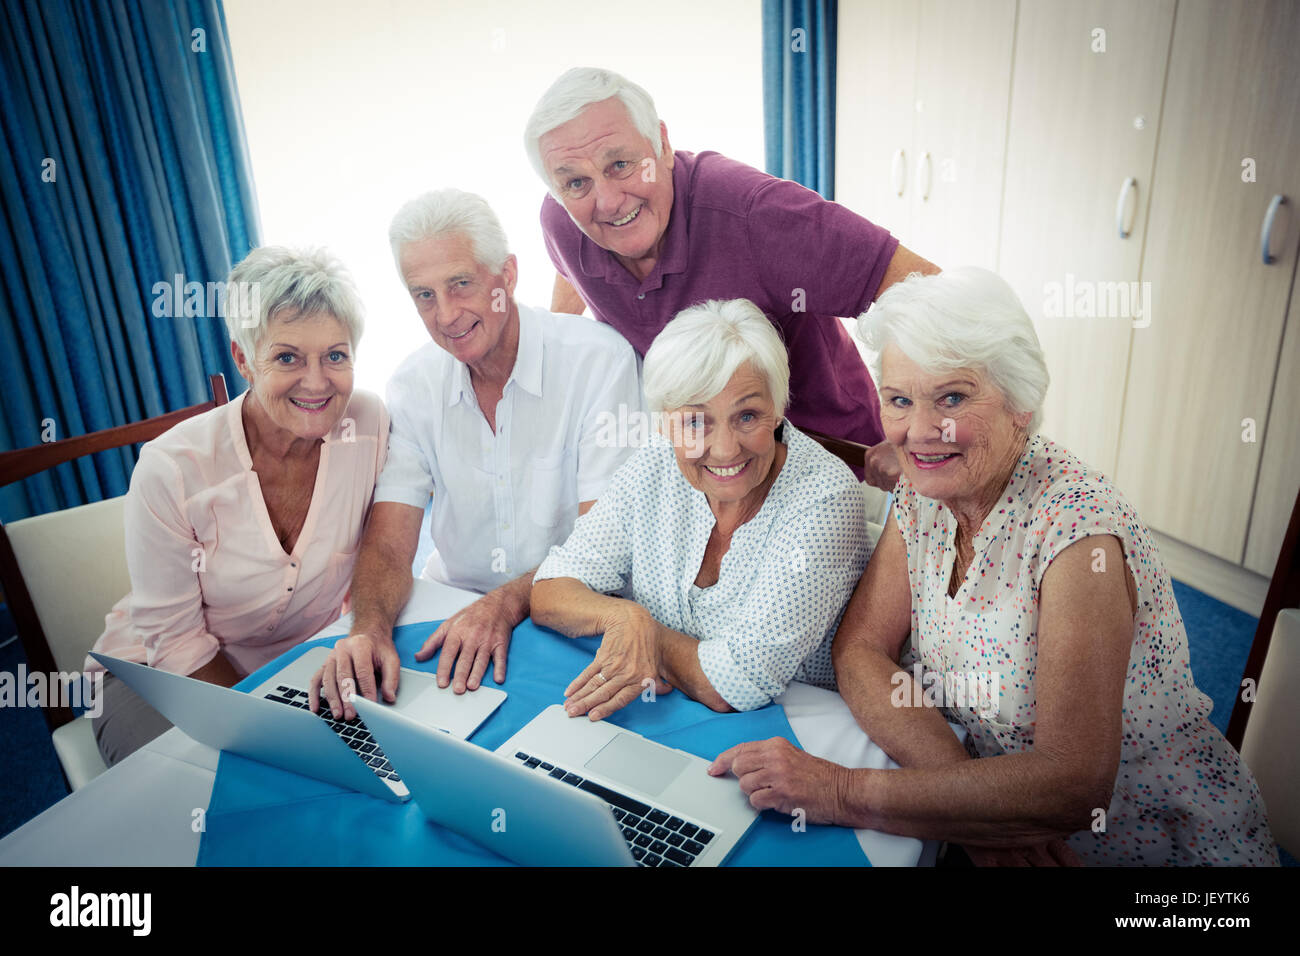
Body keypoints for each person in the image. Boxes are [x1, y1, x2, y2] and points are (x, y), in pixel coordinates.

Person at [708, 267, 1280, 866]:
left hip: (1152, 848)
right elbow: (860, 651)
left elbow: (1073, 786)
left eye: (952, 398)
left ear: (1021, 403)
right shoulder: (925, 491)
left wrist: (841, 791)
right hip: (1007, 829)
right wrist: (977, 811)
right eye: (900, 400)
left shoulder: (1078, 536)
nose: (921, 432)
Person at [525, 66, 940, 491]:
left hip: (830, 463)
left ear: (662, 145)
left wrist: (914, 426)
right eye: (576, 182)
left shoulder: (757, 216)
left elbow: (934, 293)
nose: (608, 202)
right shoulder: (566, 219)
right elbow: (570, 271)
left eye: (621, 164)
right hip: (705, 462)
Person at [311, 189, 643, 720]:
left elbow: (602, 545)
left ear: (507, 275)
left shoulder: (597, 361)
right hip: (451, 614)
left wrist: (505, 603)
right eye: (423, 295)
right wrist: (369, 630)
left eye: (460, 284)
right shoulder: (412, 384)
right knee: (358, 737)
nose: (445, 314)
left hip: (572, 616)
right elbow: (393, 541)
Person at [84, 247, 385, 766]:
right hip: (155, 675)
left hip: (295, 667)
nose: (316, 382)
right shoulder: (171, 469)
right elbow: (174, 645)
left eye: (335, 355)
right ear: (243, 359)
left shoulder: (369, 424)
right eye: (287, 357)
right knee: (209, 807)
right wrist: (269, 729)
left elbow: (387, 547)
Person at [531, 298, 871, 720]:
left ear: (779, 408)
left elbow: (736, 685)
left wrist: (649, 639)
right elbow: (551, 589)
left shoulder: (825, 498)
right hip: (674, 704)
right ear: (664, 422)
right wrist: (624, 617)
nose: (726, 449)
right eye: (695, 421)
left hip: (800, 722)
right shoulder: (657, 459)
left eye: (747, 416)